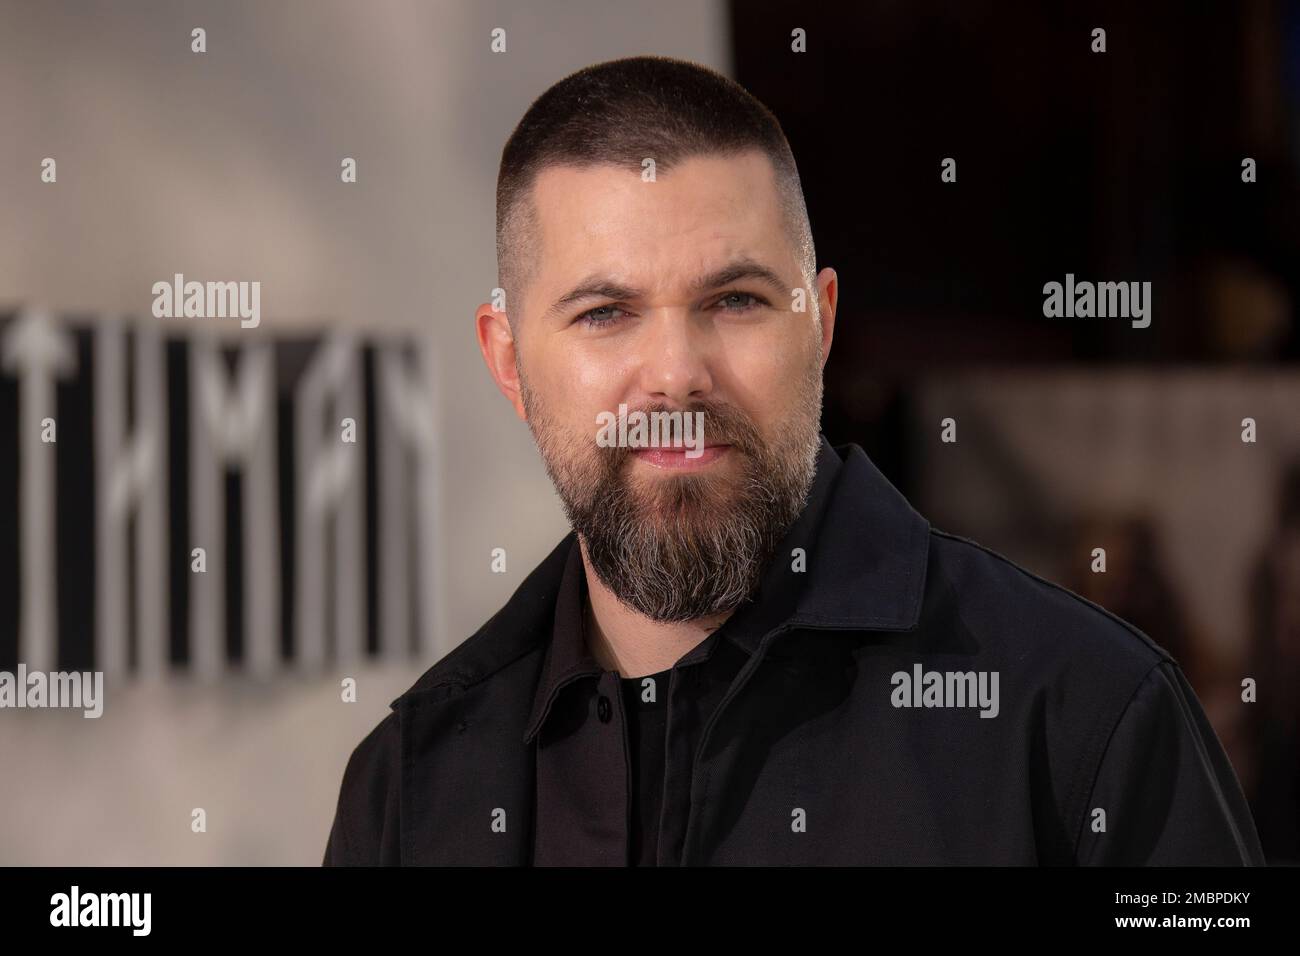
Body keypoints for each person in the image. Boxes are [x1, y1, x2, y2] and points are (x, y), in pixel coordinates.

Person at [323, 54, 1264, 866]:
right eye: (604, 313)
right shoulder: (413, 790)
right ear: (509, 362)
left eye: (734, 300)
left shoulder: (1085, 721)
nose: (677, 377)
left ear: (821, 324)